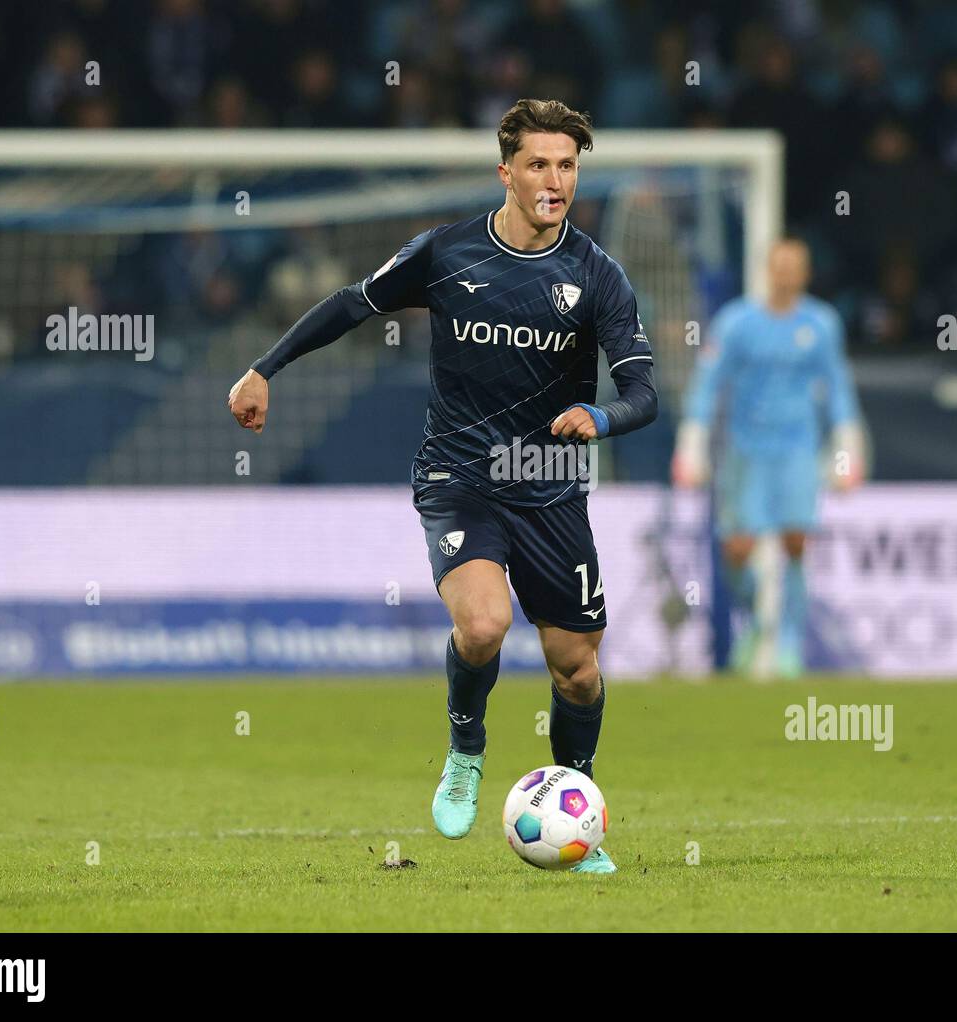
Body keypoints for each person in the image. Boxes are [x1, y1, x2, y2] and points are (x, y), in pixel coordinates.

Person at [227, 98, 656, 873]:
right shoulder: (450, 253)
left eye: (566, 165)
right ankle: (467, 747)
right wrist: (265, 367)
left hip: (552, 486)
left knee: (578, 670)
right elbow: (351, 303)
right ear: (506, 173)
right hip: (459, 476)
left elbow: (644, 393)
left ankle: (577, 808)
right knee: (485, 625)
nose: (554, 179)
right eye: (538, 165)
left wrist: (602, 413)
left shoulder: (598, 276)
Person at [673, 239, 862, 678]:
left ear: (806, 273)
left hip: (798, 448)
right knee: (738, 549)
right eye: (779, 266)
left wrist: (847, 448)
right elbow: (707, 383)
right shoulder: (737, 323)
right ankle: (758, 620)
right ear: (767, 270)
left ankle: (789, 641)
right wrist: (692, 443)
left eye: (794, 267)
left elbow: (836, 387)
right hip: (746, 451)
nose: (786, 274)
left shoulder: (821, 323)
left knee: (796, 540)